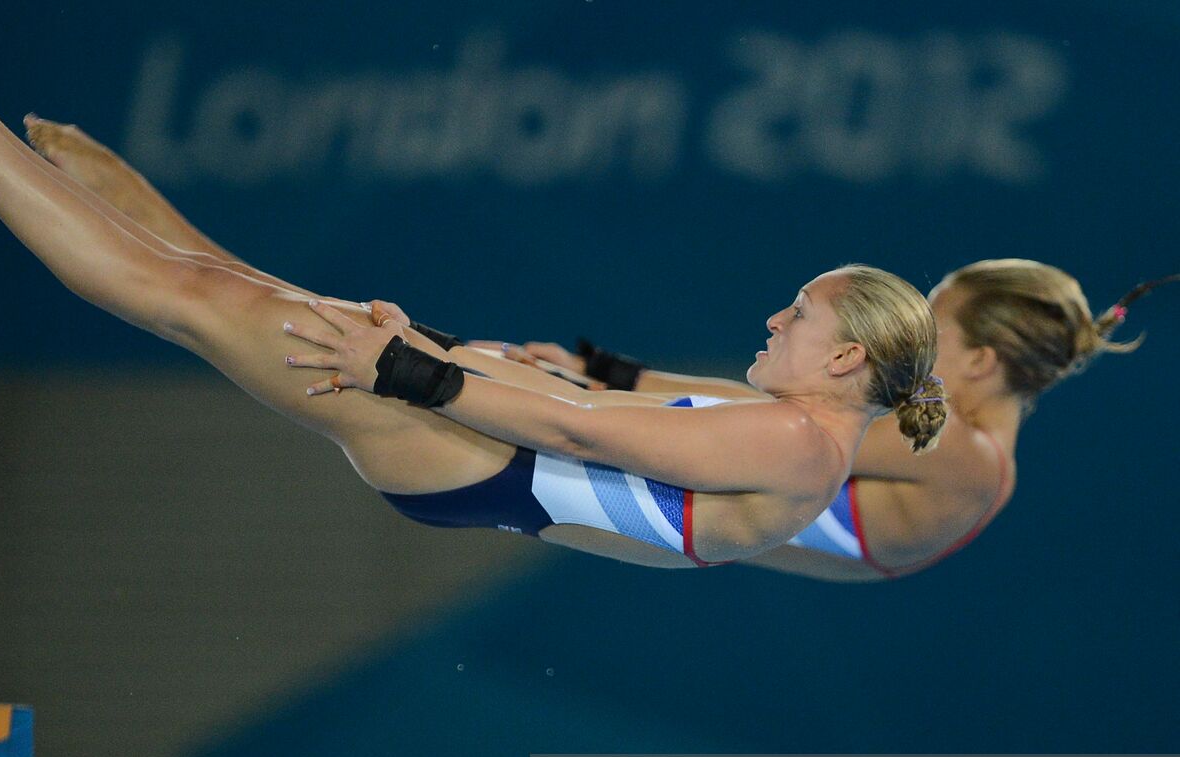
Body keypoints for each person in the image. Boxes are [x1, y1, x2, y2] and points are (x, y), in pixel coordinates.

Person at [0, 22, 943, 569]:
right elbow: (602, 397)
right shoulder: (791, 428)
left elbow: (580, 424)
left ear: (845, 358)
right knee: (224, 292)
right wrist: (476, 360)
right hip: (487, 437)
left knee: (185, 300)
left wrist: (416, 370)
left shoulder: (805, 449)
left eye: (795, 314)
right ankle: (112, 197)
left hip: (484, 459)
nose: (772, 318)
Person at [500, 265, 1174, 580]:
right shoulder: (971, 450)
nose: (909, 333)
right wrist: (606, 376)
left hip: (689, 520)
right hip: (714, 525)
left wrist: (600, 377)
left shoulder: (959, 452)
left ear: (980, 361)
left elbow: (751, 416)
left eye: (930, 320)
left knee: (495, 409)